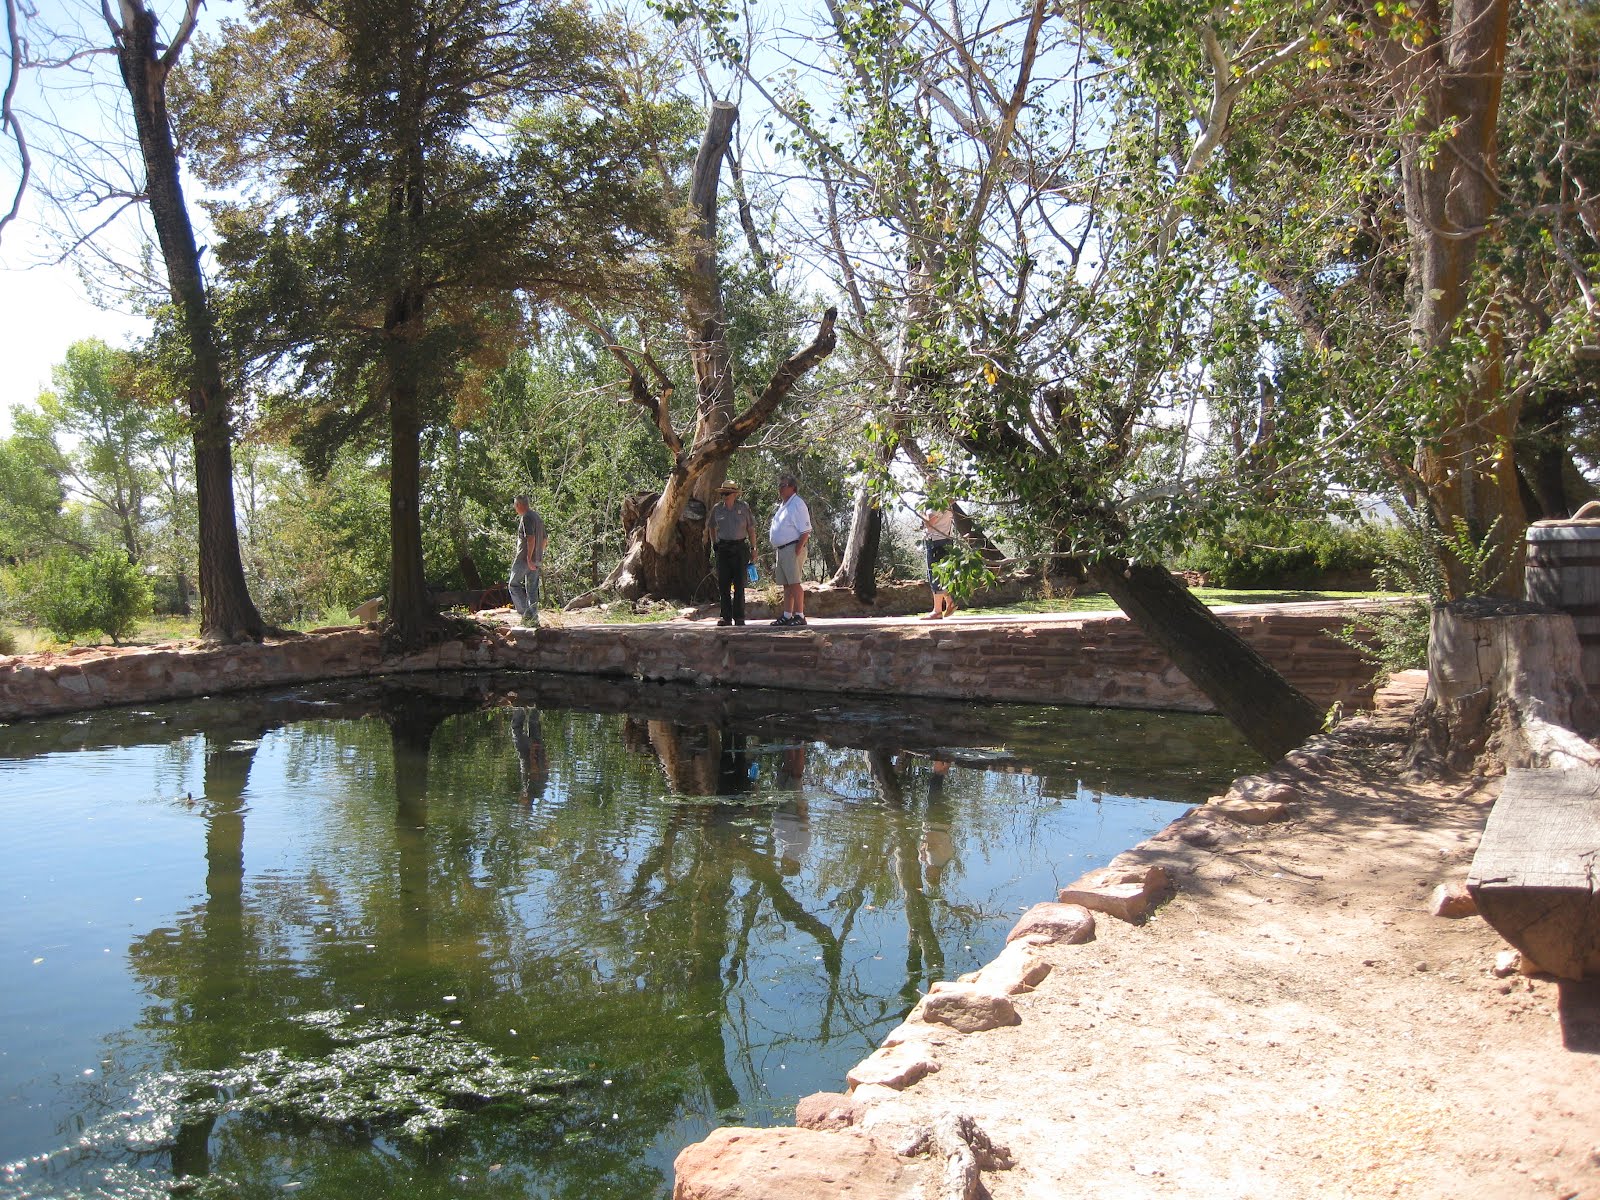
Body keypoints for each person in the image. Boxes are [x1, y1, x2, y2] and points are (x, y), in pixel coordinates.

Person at [708, 480, 758, 627]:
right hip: (723, 549)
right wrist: (715, 543)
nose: (725, 496)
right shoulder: (717, 509)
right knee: (723, 585)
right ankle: (726, 617)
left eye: (728, 493)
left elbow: (751, 529)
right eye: (723, 493)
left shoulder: (744, 508)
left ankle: (739, 617)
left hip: (740, 549)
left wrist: (753, 548)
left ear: (735, 494)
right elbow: (711, 527)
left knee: (739, 585)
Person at [768, 473, 812, 626]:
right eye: (779, 486)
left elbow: (805, 531)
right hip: (782, 550)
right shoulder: (783, 505)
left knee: (794, 583)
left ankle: (800, 615)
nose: (780, 488)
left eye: (783, 486)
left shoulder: (797, 504)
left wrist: (797, 549)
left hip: (792, 548)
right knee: (786, 585)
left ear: (793, 487)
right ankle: (787, 615)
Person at [509, 494, 546, 627]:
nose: (515, 508)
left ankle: (527, 616)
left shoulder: (526, 517)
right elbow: (544, 539)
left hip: (524, 559)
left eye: (515, 505)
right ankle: (533, 620)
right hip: (537, 559)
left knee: (513, 585)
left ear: (519, 505)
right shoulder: (537, 517)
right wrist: (538, 556)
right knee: (532, 590)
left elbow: (531, 538)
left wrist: (529, 559)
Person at [921, 508, 958, 620]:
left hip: (936, 542)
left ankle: (937, 611)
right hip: (944, 540)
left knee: (935, 574)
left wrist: (921, 514)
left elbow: (930, 524)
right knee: (942, 574)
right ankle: (950, 601)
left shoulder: (935, 504)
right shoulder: (946, 503)